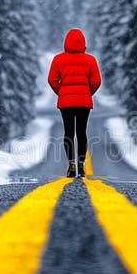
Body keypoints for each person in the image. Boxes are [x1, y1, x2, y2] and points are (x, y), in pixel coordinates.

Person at [47, 28, 101, 178]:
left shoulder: (58, 59)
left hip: (66, 103)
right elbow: (96, 81)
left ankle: (71, 164)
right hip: (84, 102)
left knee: (68, 132)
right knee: (82, 132)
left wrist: (62, 92)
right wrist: (87, 93)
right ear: (83, 42)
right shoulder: (90, 60)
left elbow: (52, 79)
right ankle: (81, 165)